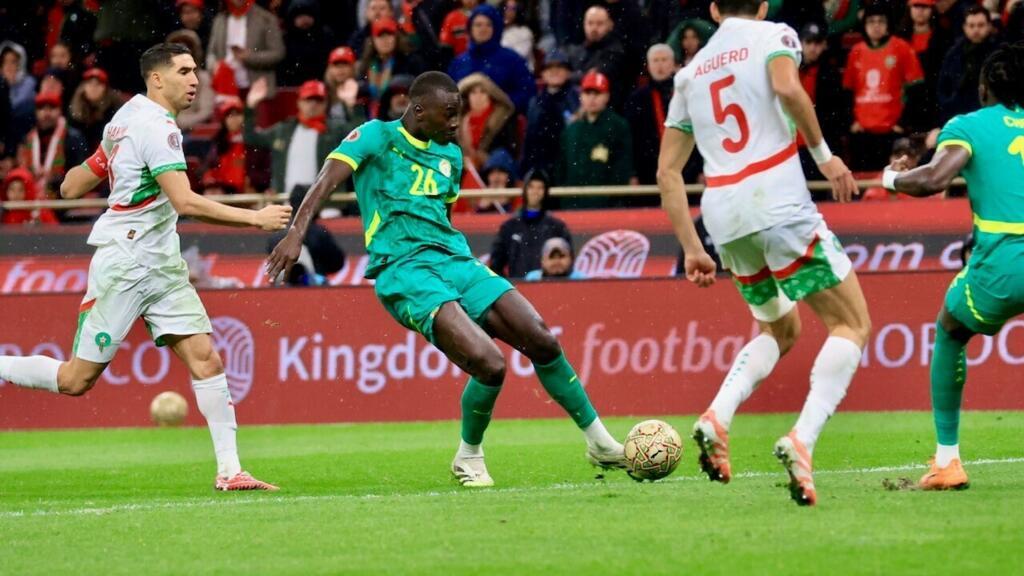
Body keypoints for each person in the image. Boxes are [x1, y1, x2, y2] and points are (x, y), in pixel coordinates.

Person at [267, 71, 626, 488]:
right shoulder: (375, 136)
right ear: (419, 110)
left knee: (541, 337)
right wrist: (296, 231)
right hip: (404, 269)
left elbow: (444, 216)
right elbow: (326, 180)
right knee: (491, 364)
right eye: (450, 114)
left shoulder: (450, 156)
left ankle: (599, 441)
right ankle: (468, 456)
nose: (457, 123)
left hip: (455, 260)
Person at [0, 43, 291, 491]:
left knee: (205, 358)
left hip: (161, 262)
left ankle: (230, 471)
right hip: (127, 262)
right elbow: (185, 201)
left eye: (196, 71)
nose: (195, 80)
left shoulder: (128, 116)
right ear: (157, 78)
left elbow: (73, 184)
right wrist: (256, 216)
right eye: (184, 71)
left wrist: (84, 173)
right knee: (76, 379)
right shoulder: (158, 128)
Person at [658, 0, 870, 507]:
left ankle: (717, 414)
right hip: (777, 198)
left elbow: (667, 173)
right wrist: (826, 156)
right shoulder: (774, 34)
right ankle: (802, 439)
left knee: (781, 328)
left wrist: (692, 249)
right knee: (852, 324)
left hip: (724, 215)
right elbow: (785, 87)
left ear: (712, 9)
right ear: (761, 4)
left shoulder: (689, 74)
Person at [880, 44, 1024, 491]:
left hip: (1005, 261)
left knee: (950, 329)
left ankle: (948, 462)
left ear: (983, 87)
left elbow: (934, 180)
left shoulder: (969, 125)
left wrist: (890, 178)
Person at [843, 5, 925, 170]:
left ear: (888, 24)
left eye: (881, 21)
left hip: (892, 131)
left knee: (893, 181)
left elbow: (916, 89)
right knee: (864, 185)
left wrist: (903, 122)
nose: (876, 25)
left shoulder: (901, 48)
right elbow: (847, 92)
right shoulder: (856, 52)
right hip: (863, 133)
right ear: (864, 25)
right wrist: (852, 122)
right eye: (871, 21)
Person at [244, 78, 353, 196]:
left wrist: (352, 106)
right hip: (285, 200)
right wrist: (250, 106)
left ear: (325, 103)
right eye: (308, 100)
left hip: (327, 203)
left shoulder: (336, 130)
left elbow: (361, 139)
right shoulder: (283, 130)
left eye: (318, 100)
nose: (313, 104)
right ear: (299, 102)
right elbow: (251, 137)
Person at [557, 71, 633, 208]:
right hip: (573, 204)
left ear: (607, 96)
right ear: (581, 96)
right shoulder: (571, 130)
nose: (592, 98)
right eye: (587, 93)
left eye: (597, 93)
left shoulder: (618, 126)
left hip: (607, 205)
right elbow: (562, 168)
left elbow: (622, 168)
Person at [447, 4, 535, 114]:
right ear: (470, 28)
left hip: (503, 122)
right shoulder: (459, 62)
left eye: (488, 25)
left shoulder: (512, 59)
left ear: (496, 28)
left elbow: (526, 91)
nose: (483, 29)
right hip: (464, 122)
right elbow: (449, 96)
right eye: (478, 25)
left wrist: (498, 106)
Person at [489, 169, 571, 278]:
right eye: (531, 186)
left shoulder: (557, 227)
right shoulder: (509, 227)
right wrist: (510, 288)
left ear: (545, 191)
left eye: (540, 187)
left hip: (550, 290)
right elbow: (495, 266)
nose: (535, 191)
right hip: (518, 290)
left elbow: (568, 263)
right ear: (524, 190)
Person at [17, 91, 89, 203]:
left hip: (63, 199)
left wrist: (53, 181)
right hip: (32, 198)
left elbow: (78, 172)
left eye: (51, 108)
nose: (46, 113)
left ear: (60, 111)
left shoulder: (73, 138)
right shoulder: (28, 139)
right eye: (42, 109)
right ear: (36, 112)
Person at [626, 44, 680, 191]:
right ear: (648, 66)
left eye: (664, 60)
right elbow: (632, 138)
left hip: (683, 164)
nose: (660, 65)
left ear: (673, 64)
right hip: (648, 168)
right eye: (655, 60)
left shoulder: (683, 93)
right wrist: (633, 172)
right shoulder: (637, 98)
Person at [206, 0, 285, 98]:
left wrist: (250, 57)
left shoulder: (266, 19)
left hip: (257, 91)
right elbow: (211, 53)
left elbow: (278, 53)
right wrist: (214, 65)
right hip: (225, 91)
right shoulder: (220, 20)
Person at [520, 51, 578, 177]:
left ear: (568, 72)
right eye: (549, 67)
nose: (554, 71)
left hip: (569, 165)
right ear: (542, 73)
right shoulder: (535, 102)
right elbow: (529, 138)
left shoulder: (578, 98)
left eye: (559, 67)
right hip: (540, 167)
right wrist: (524, 170)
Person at [937, 6, 997, 124]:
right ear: (964, 27)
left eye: (980, 25)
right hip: (957, 116)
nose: (976, 30)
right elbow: (942, 88)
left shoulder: (998, 53)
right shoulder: (954, 53)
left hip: (989, 117)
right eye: (971, 25)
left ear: (989, 26)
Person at [68, 67, 121, 152]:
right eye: (90, 83)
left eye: (98, 84)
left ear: (105, 88)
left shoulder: (114, 108)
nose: (93, 87)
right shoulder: (74, 109)